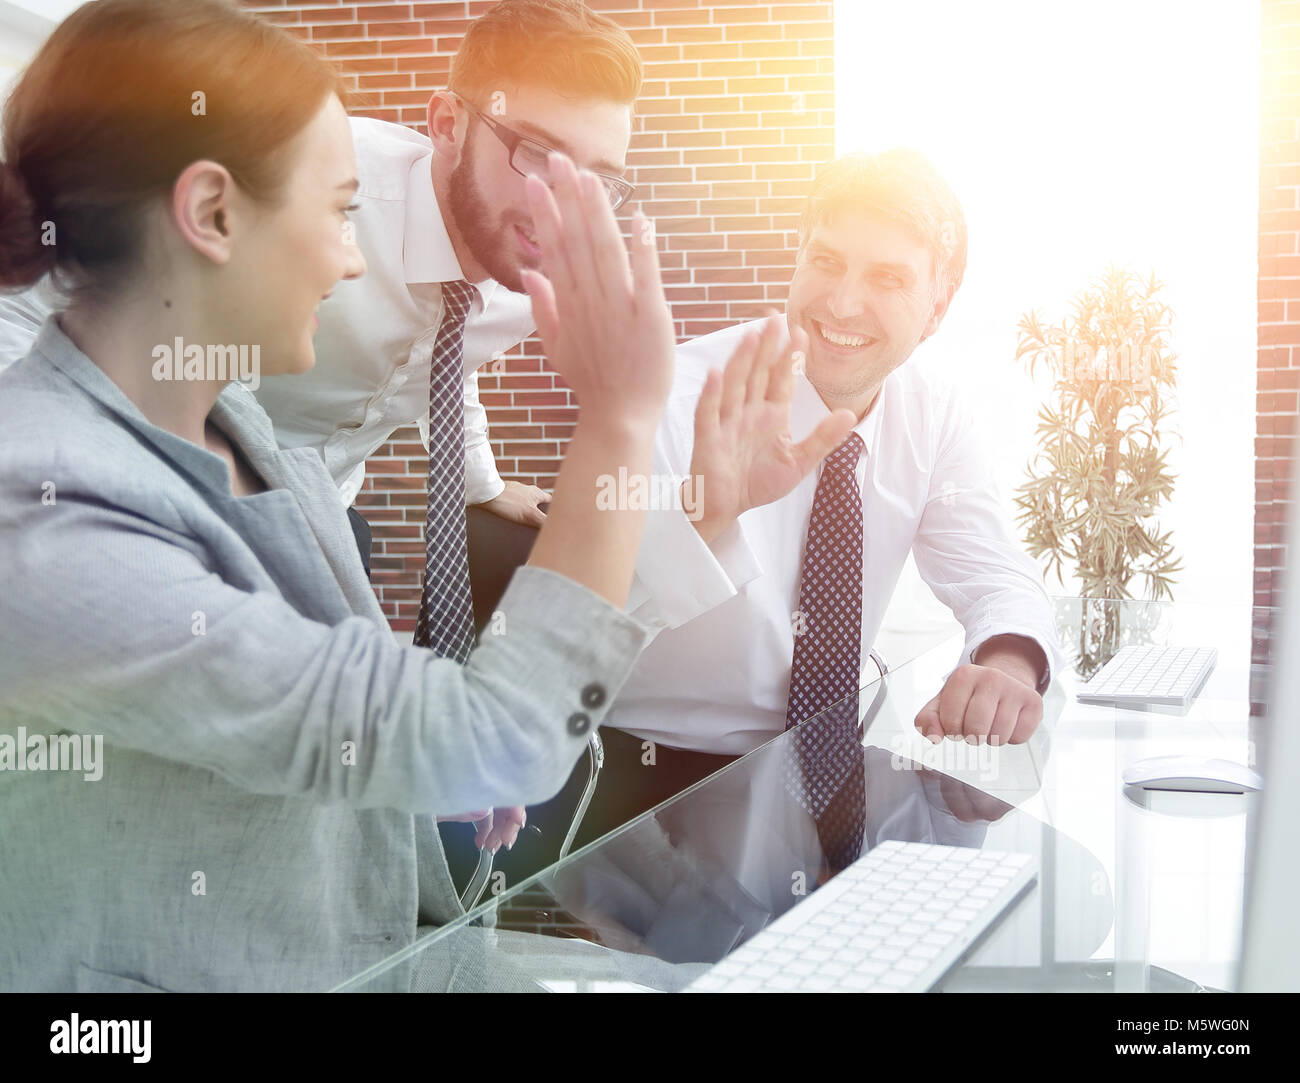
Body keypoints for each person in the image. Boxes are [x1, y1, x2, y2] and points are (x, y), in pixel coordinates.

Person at [0, 0, 677, 993]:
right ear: (213, 214)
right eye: (340, 210)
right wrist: (619, 416)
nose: (355, 257)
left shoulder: (253, 427)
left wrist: (412, 764)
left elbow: (395, 726)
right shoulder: (52, 514)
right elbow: (499, 741)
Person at [554, 149, 1063, 856]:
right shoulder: (674, 398)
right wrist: (704, 513)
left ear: (937, 309)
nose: (843, 303)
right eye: (825, 261)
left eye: (887, 278)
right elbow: (579, 622)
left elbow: (998, 573)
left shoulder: (934, 415)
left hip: (830, 785)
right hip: (643, 794)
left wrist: (1006, 662)